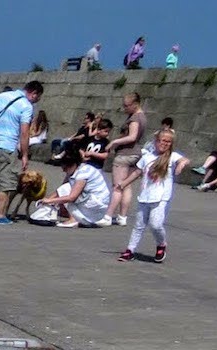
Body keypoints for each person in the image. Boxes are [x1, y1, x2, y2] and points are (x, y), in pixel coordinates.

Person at [115, 129, 190, 262]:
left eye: (168, 141)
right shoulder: (147, 157)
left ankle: (161, 244)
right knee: (139, 226)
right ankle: (130, 250)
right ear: (156, 141)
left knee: (156, 225)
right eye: (163, 140)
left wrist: (182, 164)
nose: (165, 143)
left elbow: (184, 160)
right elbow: (137, 172)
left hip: (161, 198)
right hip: (145, 196)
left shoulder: (172, 156)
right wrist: (123, 183)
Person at [0, 80, 43, 224]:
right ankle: (0, 216)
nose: (36, 102)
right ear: (33, 93)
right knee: (6, 184)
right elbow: (24, 133)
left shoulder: (2, 96)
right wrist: (24, 155)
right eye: (37, 98)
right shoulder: (26, 106)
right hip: (8, 147)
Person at [101, 92, 147, 226]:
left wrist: (115, 142)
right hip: (135, 154)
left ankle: (108, 215)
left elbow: (132, 137)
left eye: (126, 106)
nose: (124, 108)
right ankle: (122, 216)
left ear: (135, 104)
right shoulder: (143, 117)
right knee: (126, 186)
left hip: (125, 154)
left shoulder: (134, 119)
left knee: (117, 186)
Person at [35, 147, 111, 228]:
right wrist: (49, 201)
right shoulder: (79, 169)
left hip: (96, 206)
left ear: (73, 165)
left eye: (65, 168)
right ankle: (45, 208)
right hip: (95, 206)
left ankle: (73, 219)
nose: (64, 170)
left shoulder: (83, 173)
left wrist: (50, 200)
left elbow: (72, 197)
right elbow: (60, 191)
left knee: (66, 188)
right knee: (65, 189)